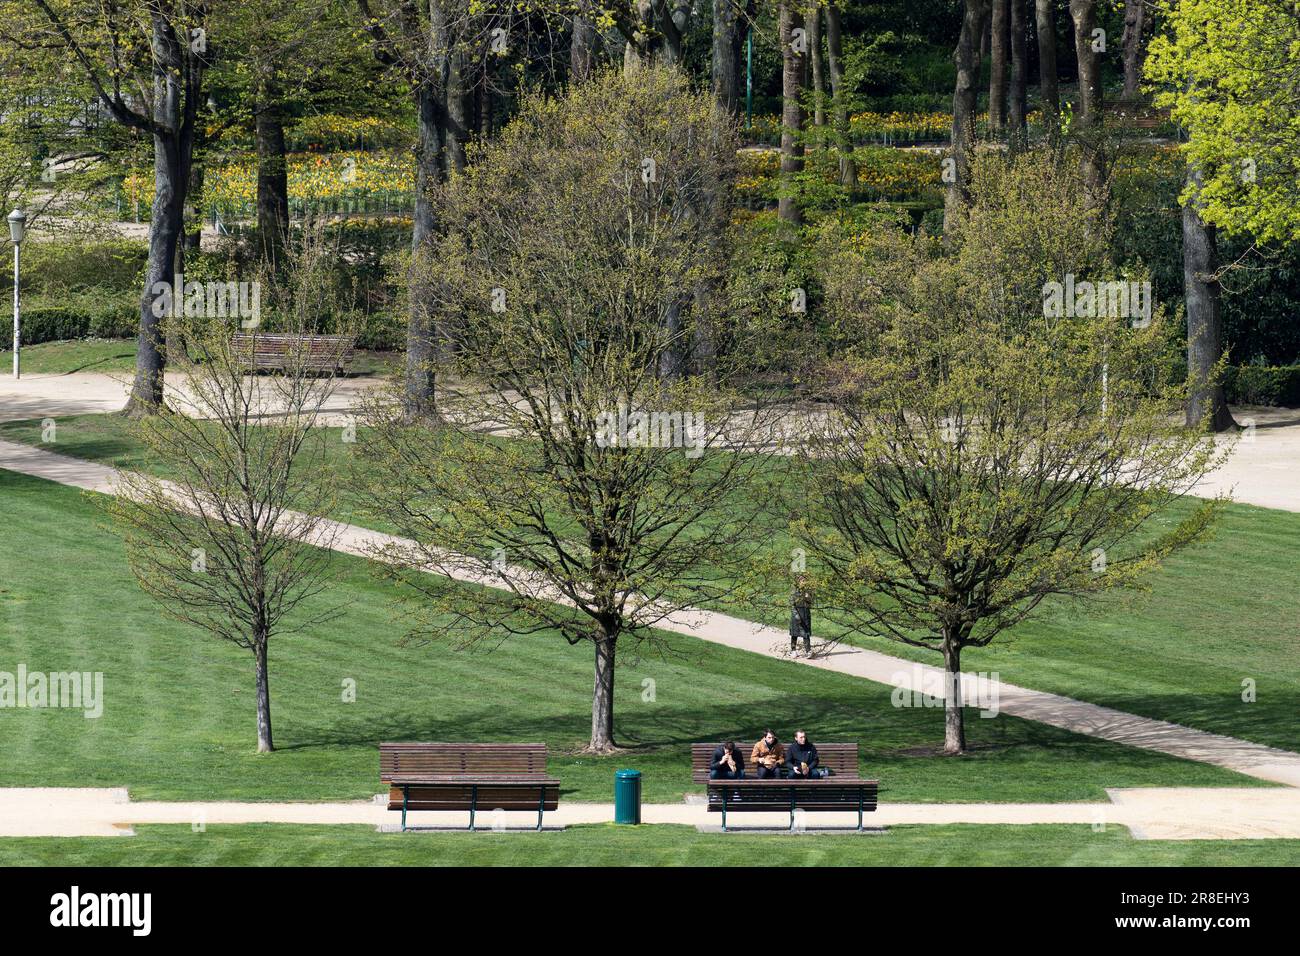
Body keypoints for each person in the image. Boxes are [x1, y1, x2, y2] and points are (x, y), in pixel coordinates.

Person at [790, 575, 813, 656]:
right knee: (794, 633)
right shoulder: (794, 591)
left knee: (806, 633)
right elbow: (792, 605)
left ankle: (808, 651)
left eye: (805, 580)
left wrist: (808, 597)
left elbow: (810, 604)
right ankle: (793, 650)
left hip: (805, 614)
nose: (804, 582)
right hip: (796, 614)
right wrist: (796, 616)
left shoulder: (808, 591)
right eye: (802, 581)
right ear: (798, 582)